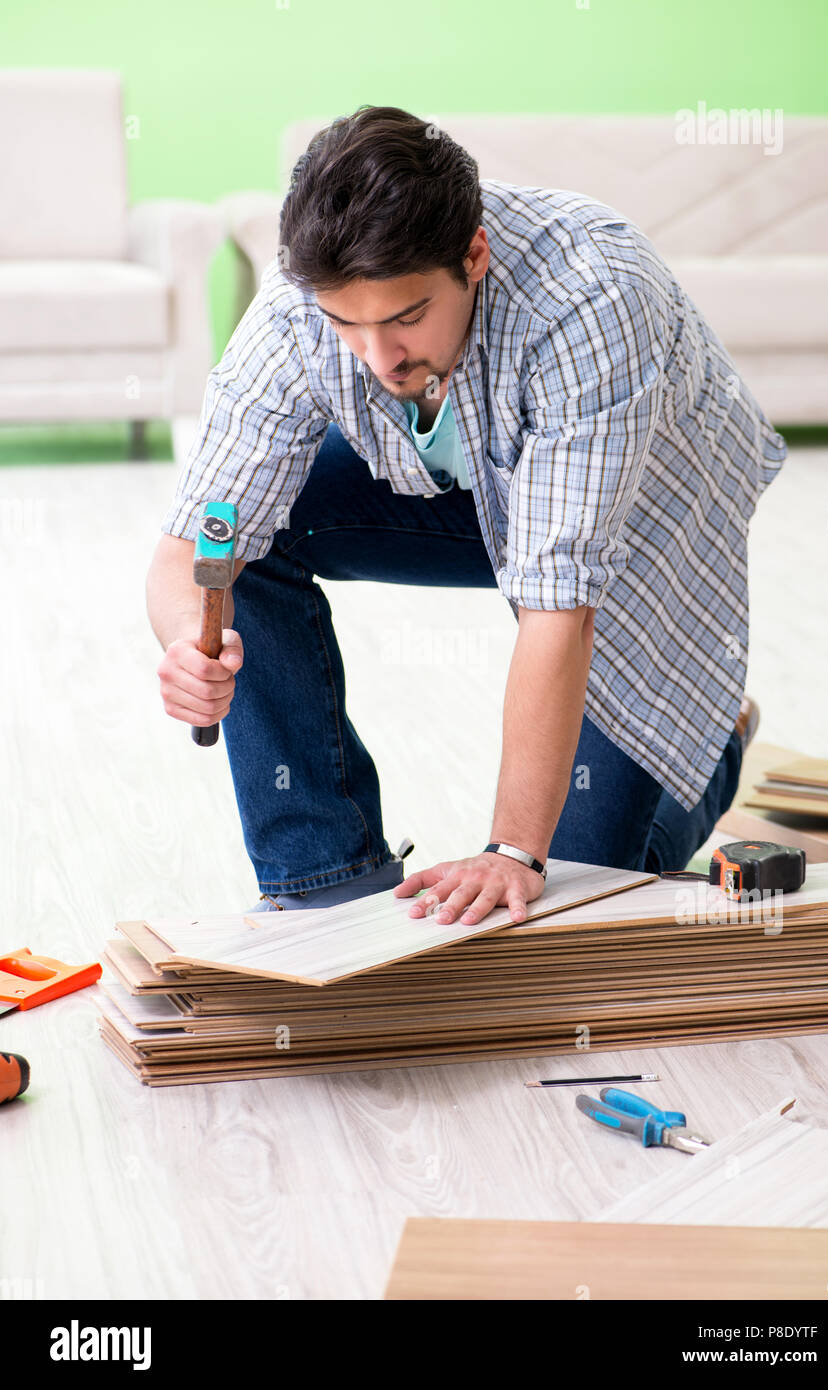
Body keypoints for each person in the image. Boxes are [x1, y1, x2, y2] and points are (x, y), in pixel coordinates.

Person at [146, 104, 781, 931]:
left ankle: (711, 740)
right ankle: (323, 877)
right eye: (349, 325)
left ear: (473, 255)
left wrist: (513, 851)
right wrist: (183, 648)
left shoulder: (593, 297)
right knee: (247, 544)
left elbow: (559, 604)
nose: (378, 358)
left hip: (639, 510)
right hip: (466, 479)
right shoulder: (297, 309)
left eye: (406, 317)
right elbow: (194, 542)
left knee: (572, 892)